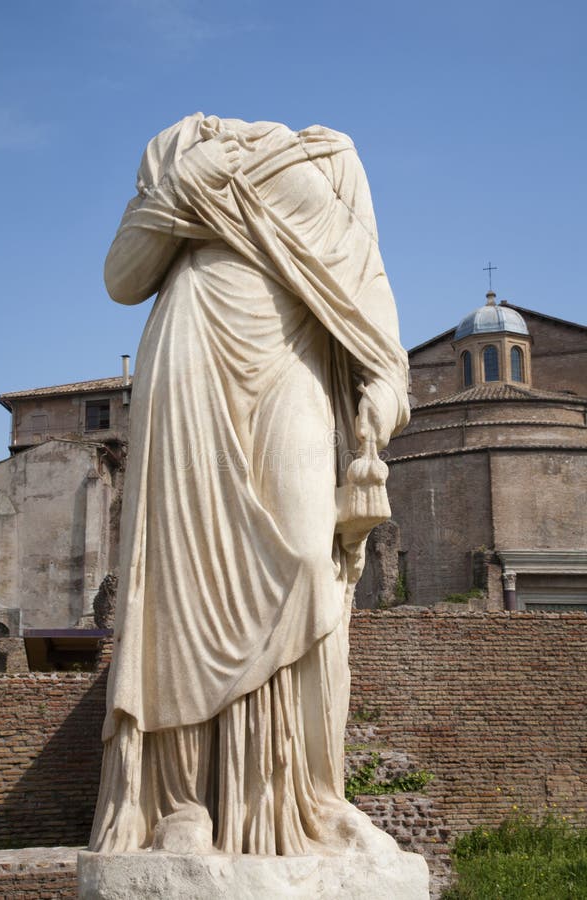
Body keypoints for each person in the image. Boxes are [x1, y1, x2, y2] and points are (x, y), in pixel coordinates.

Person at [89, 112, 410, 856]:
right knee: (180, 584)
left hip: (291, 357)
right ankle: (181, 803)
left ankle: (308, 796)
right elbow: (121, 277)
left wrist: (380, 402)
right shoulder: (177, 147)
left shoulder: (333, 162)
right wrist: (181, 189)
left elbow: (373, 309)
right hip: (192, 353)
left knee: (306, 560)